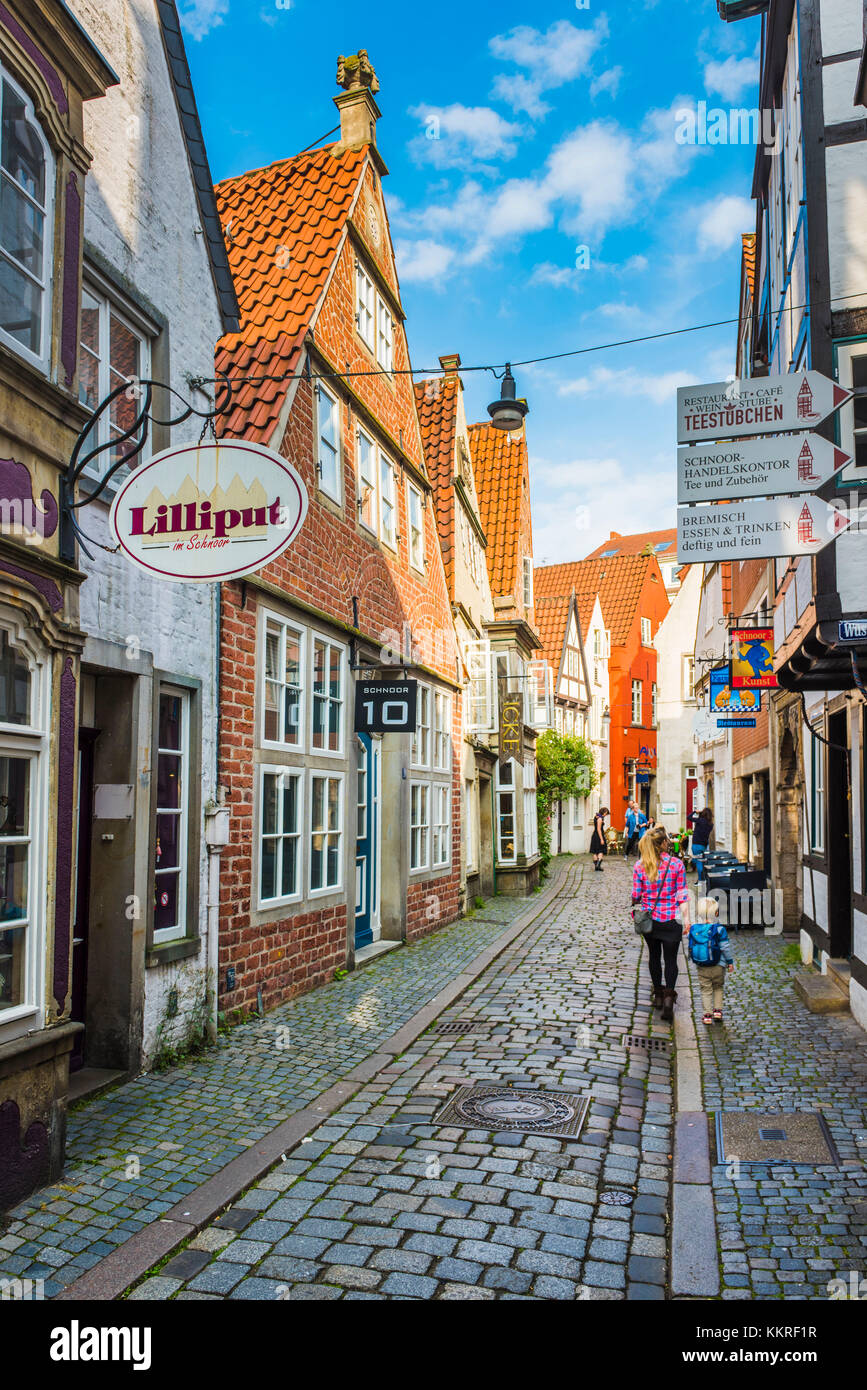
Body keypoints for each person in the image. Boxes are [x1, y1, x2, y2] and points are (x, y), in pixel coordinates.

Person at [632, 825, 689, 1020]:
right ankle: (668, 999)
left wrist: (638, 899)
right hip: (671, 919)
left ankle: (657, 995)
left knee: (654, 957)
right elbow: (682, 895)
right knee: (671, 960)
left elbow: (636, 895)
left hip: (650, 921)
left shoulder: (640, 866)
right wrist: (687, 919)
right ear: (664, 843)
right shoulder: (677, 865)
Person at [687, 896, 734, 1024]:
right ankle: (717, 1011)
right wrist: (730, 962)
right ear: (717, 913)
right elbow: (725, 948)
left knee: (705, 989)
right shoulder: (720, 929)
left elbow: (689, 940)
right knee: (718, 987)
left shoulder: (694, 929)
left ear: (699, 914)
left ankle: (707, 1015)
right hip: (719, 965)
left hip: (702, 965)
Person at [688, 807, 714, 879]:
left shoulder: (700, 821)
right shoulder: (711, 824)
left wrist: (695, 812)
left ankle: (701, 880)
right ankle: (702, 878)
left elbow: (689, 817)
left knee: (699, 863)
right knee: (702, 862)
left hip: (696, 844)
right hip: (704, 845)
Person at [590, 806, 609, 871]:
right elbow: (599, 829)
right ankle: (598, 866)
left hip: (595, 835)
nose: (606, 815)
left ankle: (596, 866)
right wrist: (601, 839)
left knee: (595, 851)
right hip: (598, 835)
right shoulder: (600, 819)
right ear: (603, 812)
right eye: (606, 813)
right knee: (601, 850)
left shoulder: (596, 817)